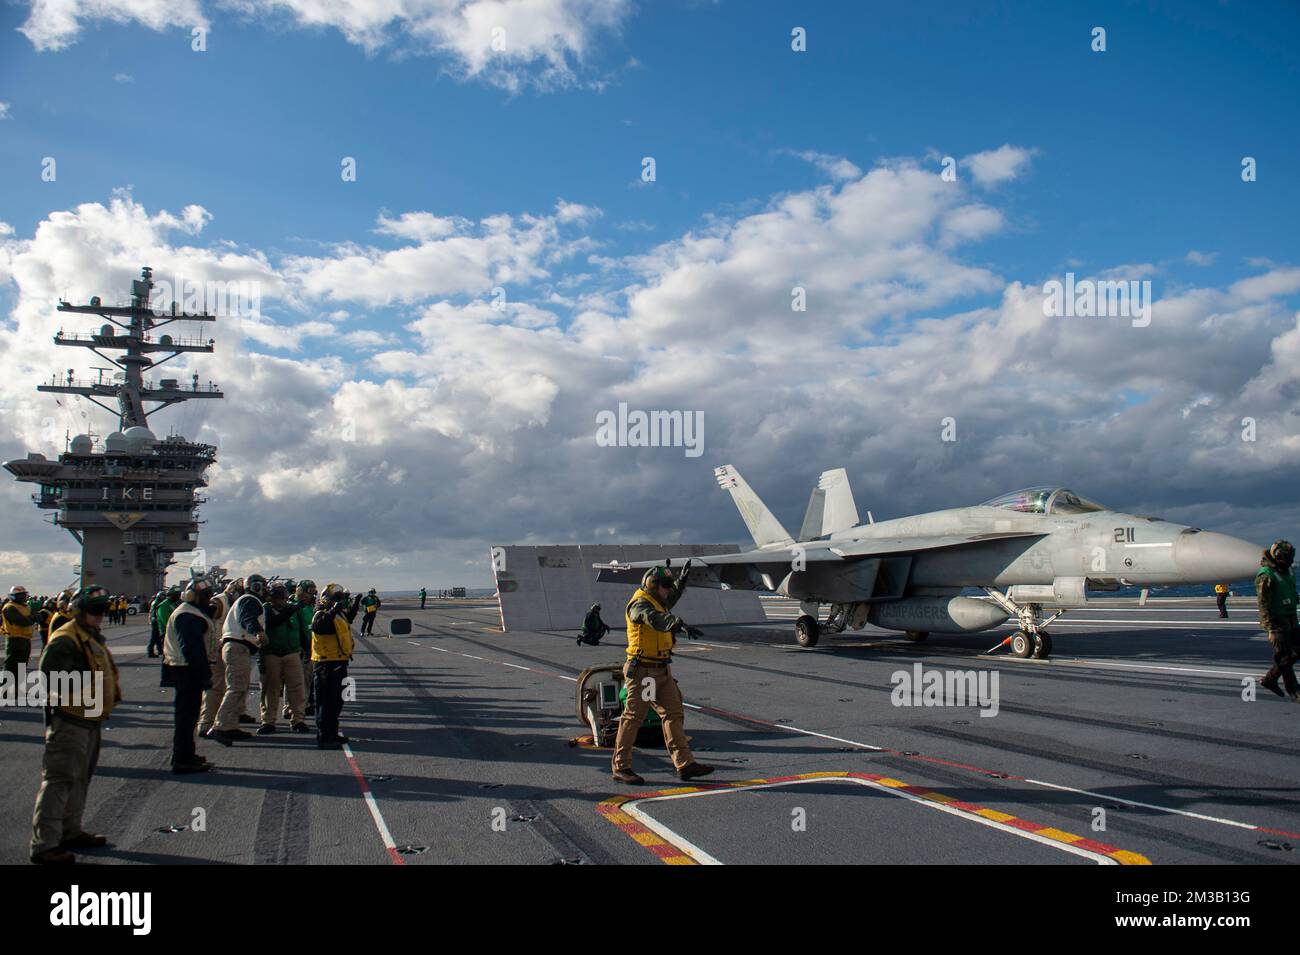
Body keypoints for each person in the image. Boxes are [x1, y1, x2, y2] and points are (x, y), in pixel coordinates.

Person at [29, 585, 120, 864]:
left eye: (103, 610)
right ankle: (44, 845)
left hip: (89, 719)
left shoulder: (89, 636)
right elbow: (49, 678)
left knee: (80, 779)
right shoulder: (66, 639)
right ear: (78, 610)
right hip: (70, 720)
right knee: (59, 781)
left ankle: (70, 831)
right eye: (95, 610)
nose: (100, 615)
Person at [611, 563, 714, 785]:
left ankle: (685, 764)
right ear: (653, 585)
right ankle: (621, 767)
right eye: (665, 587)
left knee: (674, 714)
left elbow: (669, 600)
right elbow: (654, 619)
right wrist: (678, 623)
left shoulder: (657, 599)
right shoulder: (639, 605)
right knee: (634, 718)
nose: (668, 591)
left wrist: (681, 582)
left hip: (662, 670)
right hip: (645, 672)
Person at [160, 579, 215, 774]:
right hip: (187, 670)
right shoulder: (187, 615)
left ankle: (185, 754)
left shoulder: (190, 612)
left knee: (188, 717)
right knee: (186, 717)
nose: (209, 599)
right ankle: (183, 759)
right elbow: (192, 649)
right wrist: (205, 675)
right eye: (206, 596)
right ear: (194, 596)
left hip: (185, 669)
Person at [210, 574, 269, 746]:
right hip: (238, 647)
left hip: (237, 647)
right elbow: (247, 618)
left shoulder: (245, 599)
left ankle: (231, 725)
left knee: (240, 687)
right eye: (263, 586)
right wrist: (259, 632)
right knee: (236, 687)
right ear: (256, 586)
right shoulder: (249, 600)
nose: (265, 589)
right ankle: (220, 726)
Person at [311, 584, 359, 749]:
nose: (340, 601)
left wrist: (355, 605)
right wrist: (332, 610)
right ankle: (324, 737)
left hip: (339, 662)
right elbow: (319, 627)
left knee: (337, 701)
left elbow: (348, 621)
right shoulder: (321, 613)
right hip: (326, 664)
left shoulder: (339, 615)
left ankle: (332, 733)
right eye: (337, 598)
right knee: (326, 702)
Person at [258, 583, 310, 734]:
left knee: (296, 687)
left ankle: (298, 719)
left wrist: (307, 649)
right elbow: (272, 623)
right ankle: (268, 721)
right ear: (272, 598)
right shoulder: (266, 609)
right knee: (270, 689)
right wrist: (290, 610)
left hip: (292, 653)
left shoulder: (293, 610)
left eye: (284, 598)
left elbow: (301, 630)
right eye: (279, 598)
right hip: (271, 653)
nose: (283, 601)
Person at [1258, 540, 1300, 701]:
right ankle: (1294, 691)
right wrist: (1270, 629)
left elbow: (1290, 591)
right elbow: (1263, 605)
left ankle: (1270, 679)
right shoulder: (1265, 574)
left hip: (1291, 617)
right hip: (1277, 620)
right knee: (1283, 656)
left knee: (1295, 651)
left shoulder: (1286, 570)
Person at [198, 579, 240, 739]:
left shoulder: (230, 602)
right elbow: (209, 621)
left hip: (225, 647)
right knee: (215, 687)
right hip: (216, 648)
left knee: (230, 686)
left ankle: (230, 722)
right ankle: (206, 724)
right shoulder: (219, 602)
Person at [292, 580, 318, 718]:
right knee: (301, 680)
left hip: (310, 647)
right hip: (302, 648)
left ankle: (306, 703)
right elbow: (300, 628)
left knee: (307, 679)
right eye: (310, 591)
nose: (312, 594)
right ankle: (300, 706)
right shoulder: (297, 607)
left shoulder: (308, 607)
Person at [3, 585, 36, 678]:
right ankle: (6, 689)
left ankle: (18, 688)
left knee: (22, 665)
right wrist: (33, 618)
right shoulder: (10, 607)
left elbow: (36, 616)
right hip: (14, 639)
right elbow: (23, 621)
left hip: (25, 639)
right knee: (11, 666)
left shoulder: (26, 606)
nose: (24, 597)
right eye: (21, 595)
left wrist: (33, 618)